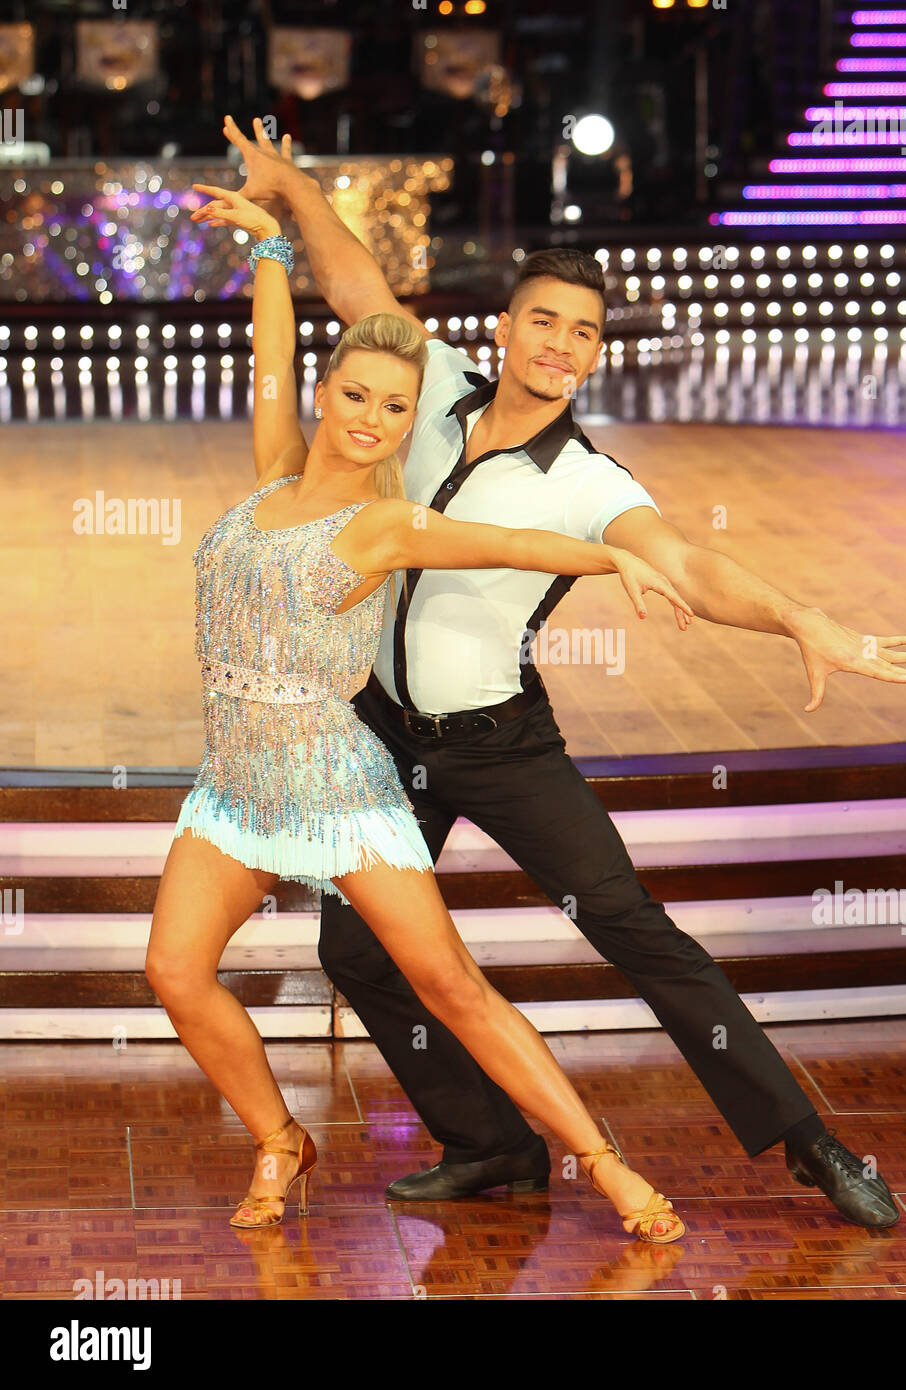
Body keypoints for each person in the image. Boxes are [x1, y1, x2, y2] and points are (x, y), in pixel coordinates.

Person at [224, 115, 906, 1229]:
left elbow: (687, 564)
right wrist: (298, 190)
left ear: (596, 353)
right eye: (542, 320)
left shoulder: (587, 481)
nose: (559, 343)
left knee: (634, 930)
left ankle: (808, 1140)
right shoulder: (432, 384)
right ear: (503, 328)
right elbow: (356, 283)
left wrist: (798, 617)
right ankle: (491, 1145)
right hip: (382, 738)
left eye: (583, 332)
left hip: (500, 743)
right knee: (353, 945)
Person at [145, 177, 699, 1244]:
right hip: (237, 785)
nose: (371, 419)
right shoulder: (269, 480)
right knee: (174, 969)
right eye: (356, 396)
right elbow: (269, 361)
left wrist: (614, 557)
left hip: (339, 787)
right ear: (328, 393)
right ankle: (277, 1136)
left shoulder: (386, 524)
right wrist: (269, 249)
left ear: (408, 422)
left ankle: (605, 1164)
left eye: (396, 408)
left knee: (448, 984)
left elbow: (514, 545)